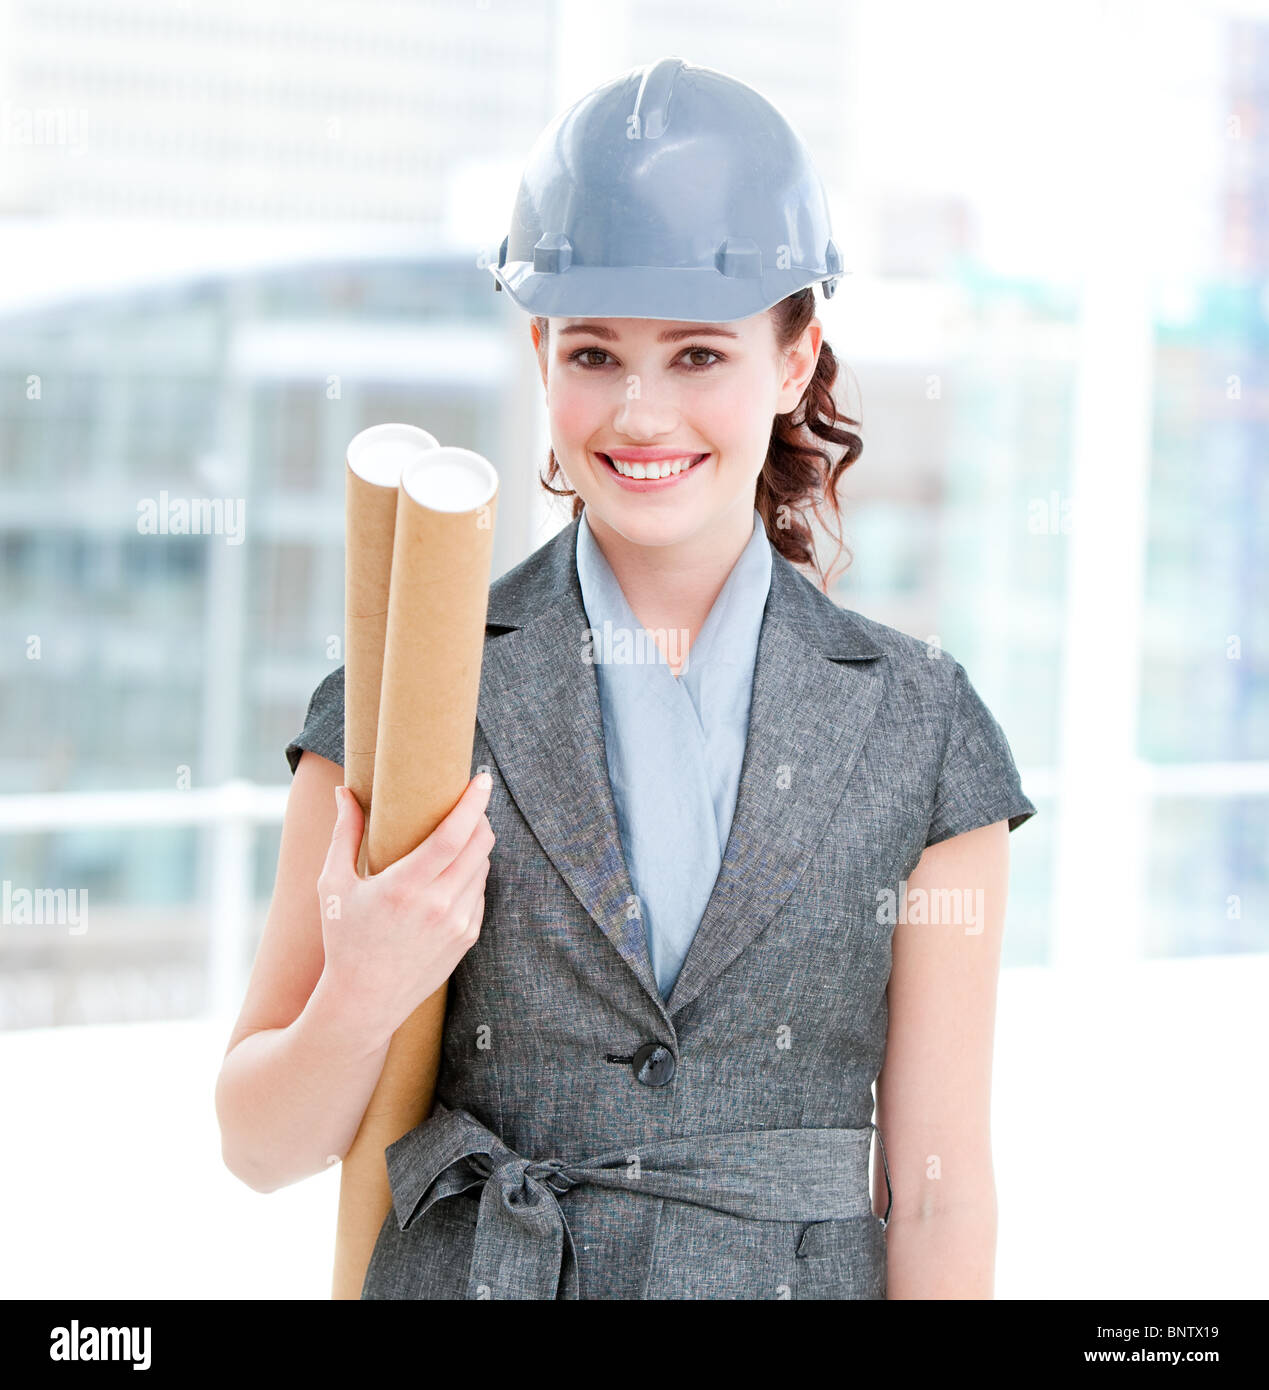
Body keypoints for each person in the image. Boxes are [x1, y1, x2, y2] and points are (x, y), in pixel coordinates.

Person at [215, 57, 1037, 1300]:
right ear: (539, 349)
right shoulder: (408, 695)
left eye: (699, 355)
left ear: (798, 354)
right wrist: (365, 987)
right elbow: (257, 1144)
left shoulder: (921, 731)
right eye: (595, 354)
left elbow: (934, 1190)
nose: (641, 415)